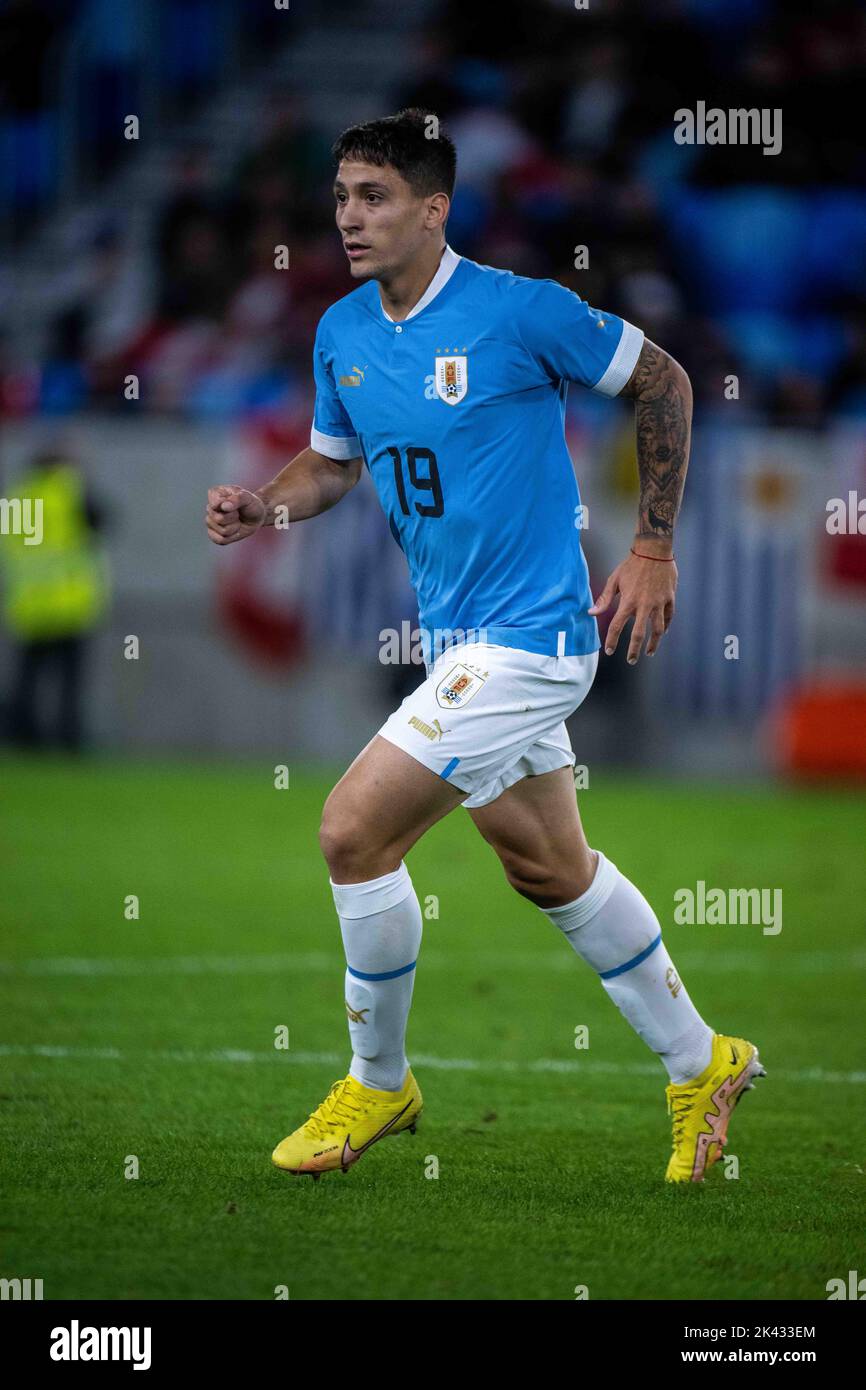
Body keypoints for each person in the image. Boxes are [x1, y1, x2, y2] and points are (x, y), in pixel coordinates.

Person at [205, 109, 765, 1184]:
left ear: (432, 206)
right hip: (455, 643)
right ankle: (704, 1061)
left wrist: (651, 545)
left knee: (351, 831)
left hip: (532, 640)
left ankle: (378, 1080)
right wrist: (262, 506)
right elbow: (332, 465)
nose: (350, 218)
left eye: (372, 197)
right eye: (339, 198)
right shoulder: (342, 333)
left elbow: (667, 382)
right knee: (546, 865)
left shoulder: (520, 313)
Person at [1, 448, 108, 749]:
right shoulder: (74, 494)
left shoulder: (17, 497)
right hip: (69, 601)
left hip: (29, 602)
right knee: (69, 681)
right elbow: (103, 523)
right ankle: (68, 739)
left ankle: (22, 737)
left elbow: (12, 548)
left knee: (27, 678)